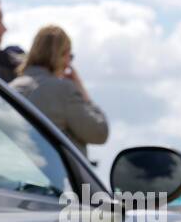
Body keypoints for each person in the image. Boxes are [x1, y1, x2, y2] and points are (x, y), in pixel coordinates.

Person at [9, 25, 109, 156]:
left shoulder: (11, 88)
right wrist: (81, 90)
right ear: (62, 56)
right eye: (69, 56)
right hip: (57, 175)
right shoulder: (64, 90)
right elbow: (99, 133)